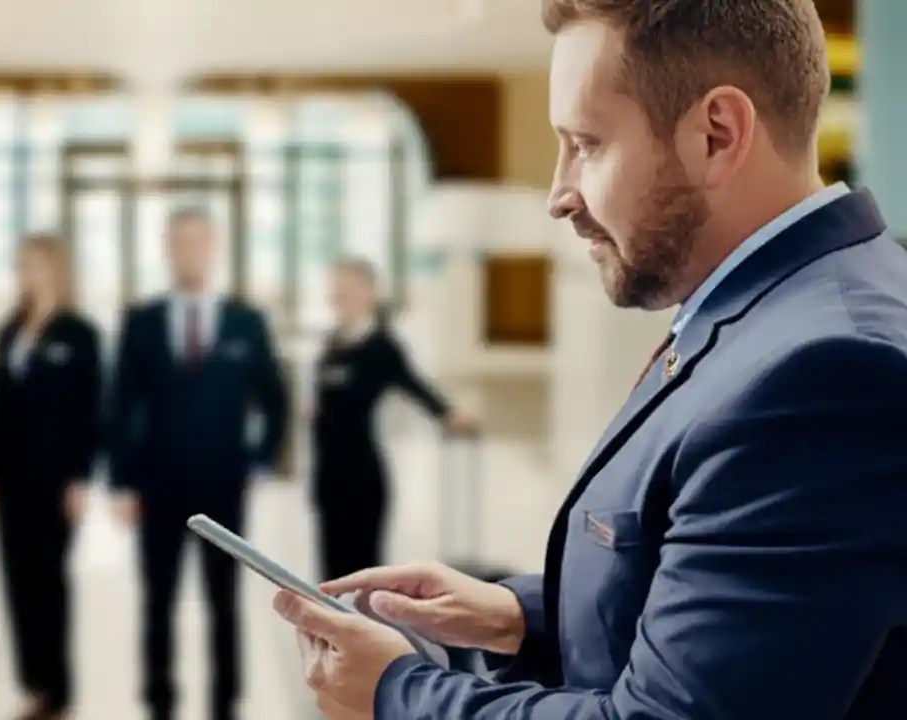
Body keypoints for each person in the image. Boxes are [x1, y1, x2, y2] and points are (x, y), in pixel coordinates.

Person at [272, 1, 907, 718]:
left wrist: (399, 692)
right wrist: (517, 616)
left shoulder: (825, 373)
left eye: (586, 144)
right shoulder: (795, 306)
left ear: (716, 134)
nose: (558, 195)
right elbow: (744, 601)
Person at [111, 207, 288, 720]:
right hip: (157, 484)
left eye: (198, 242)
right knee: (157, 602)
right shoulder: (141, 322)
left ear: (214, 247)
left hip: (223, 486)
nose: (189, 252)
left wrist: (257, 462)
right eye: (179, 242)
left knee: (223, 603)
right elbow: (120, 403)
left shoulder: (246, 322)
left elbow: (274, 398)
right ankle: (160, 705)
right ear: (166, 248)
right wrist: (122, 483)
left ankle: (225, 705)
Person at [0, 235, 100, 720]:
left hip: (55, 480)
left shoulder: (78, 333)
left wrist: (79, 477)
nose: (25, 274)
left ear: (55, 268)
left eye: (33, 264)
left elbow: (91, 409)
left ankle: (59, 689)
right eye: (20, 265)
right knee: (16, 579)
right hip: (9, 478)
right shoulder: (8, 330)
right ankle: (32, 683)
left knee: (49, 580)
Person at [312, 256, 471, 581]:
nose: (340, 296)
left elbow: (413, 383)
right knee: (330, 570)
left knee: (362, 568)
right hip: (327, 474)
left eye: (348, 289)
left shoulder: (382, 346)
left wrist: (448, 414)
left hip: (362, 475)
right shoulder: (332, 343)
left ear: (369, 292)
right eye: (336, 290)